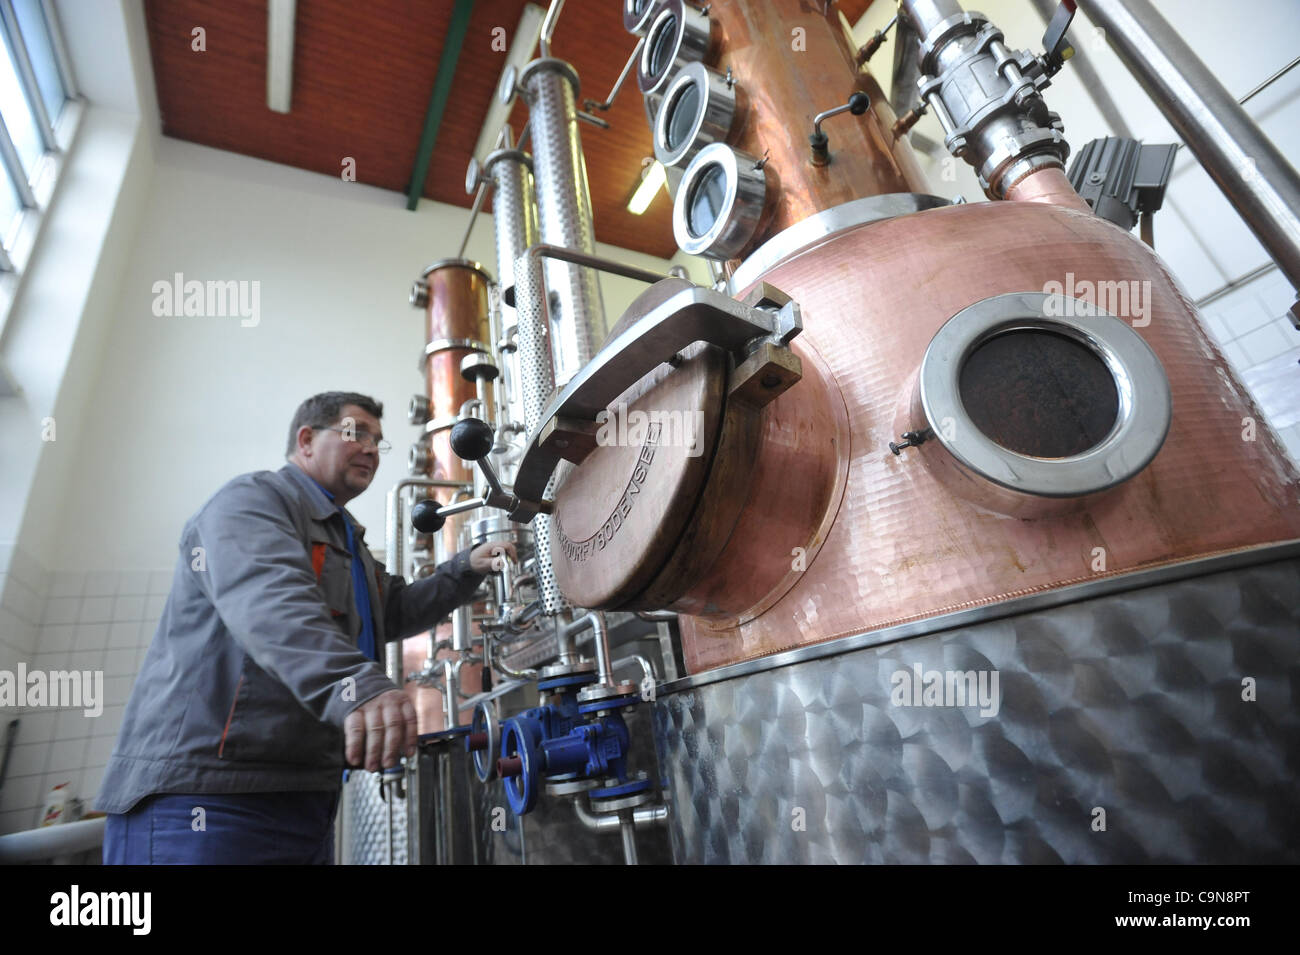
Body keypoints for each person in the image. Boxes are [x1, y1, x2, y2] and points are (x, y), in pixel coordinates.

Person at [95, 391, 510, 864]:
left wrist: (466, 568)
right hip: (206, 798)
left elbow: (391, 610)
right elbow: (269, 600)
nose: (372, 449)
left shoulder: (345, 536)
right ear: (307, 440)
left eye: (379, 441)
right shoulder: (252, 501)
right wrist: (356, 685)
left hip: (304, 795)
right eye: (357, 433)